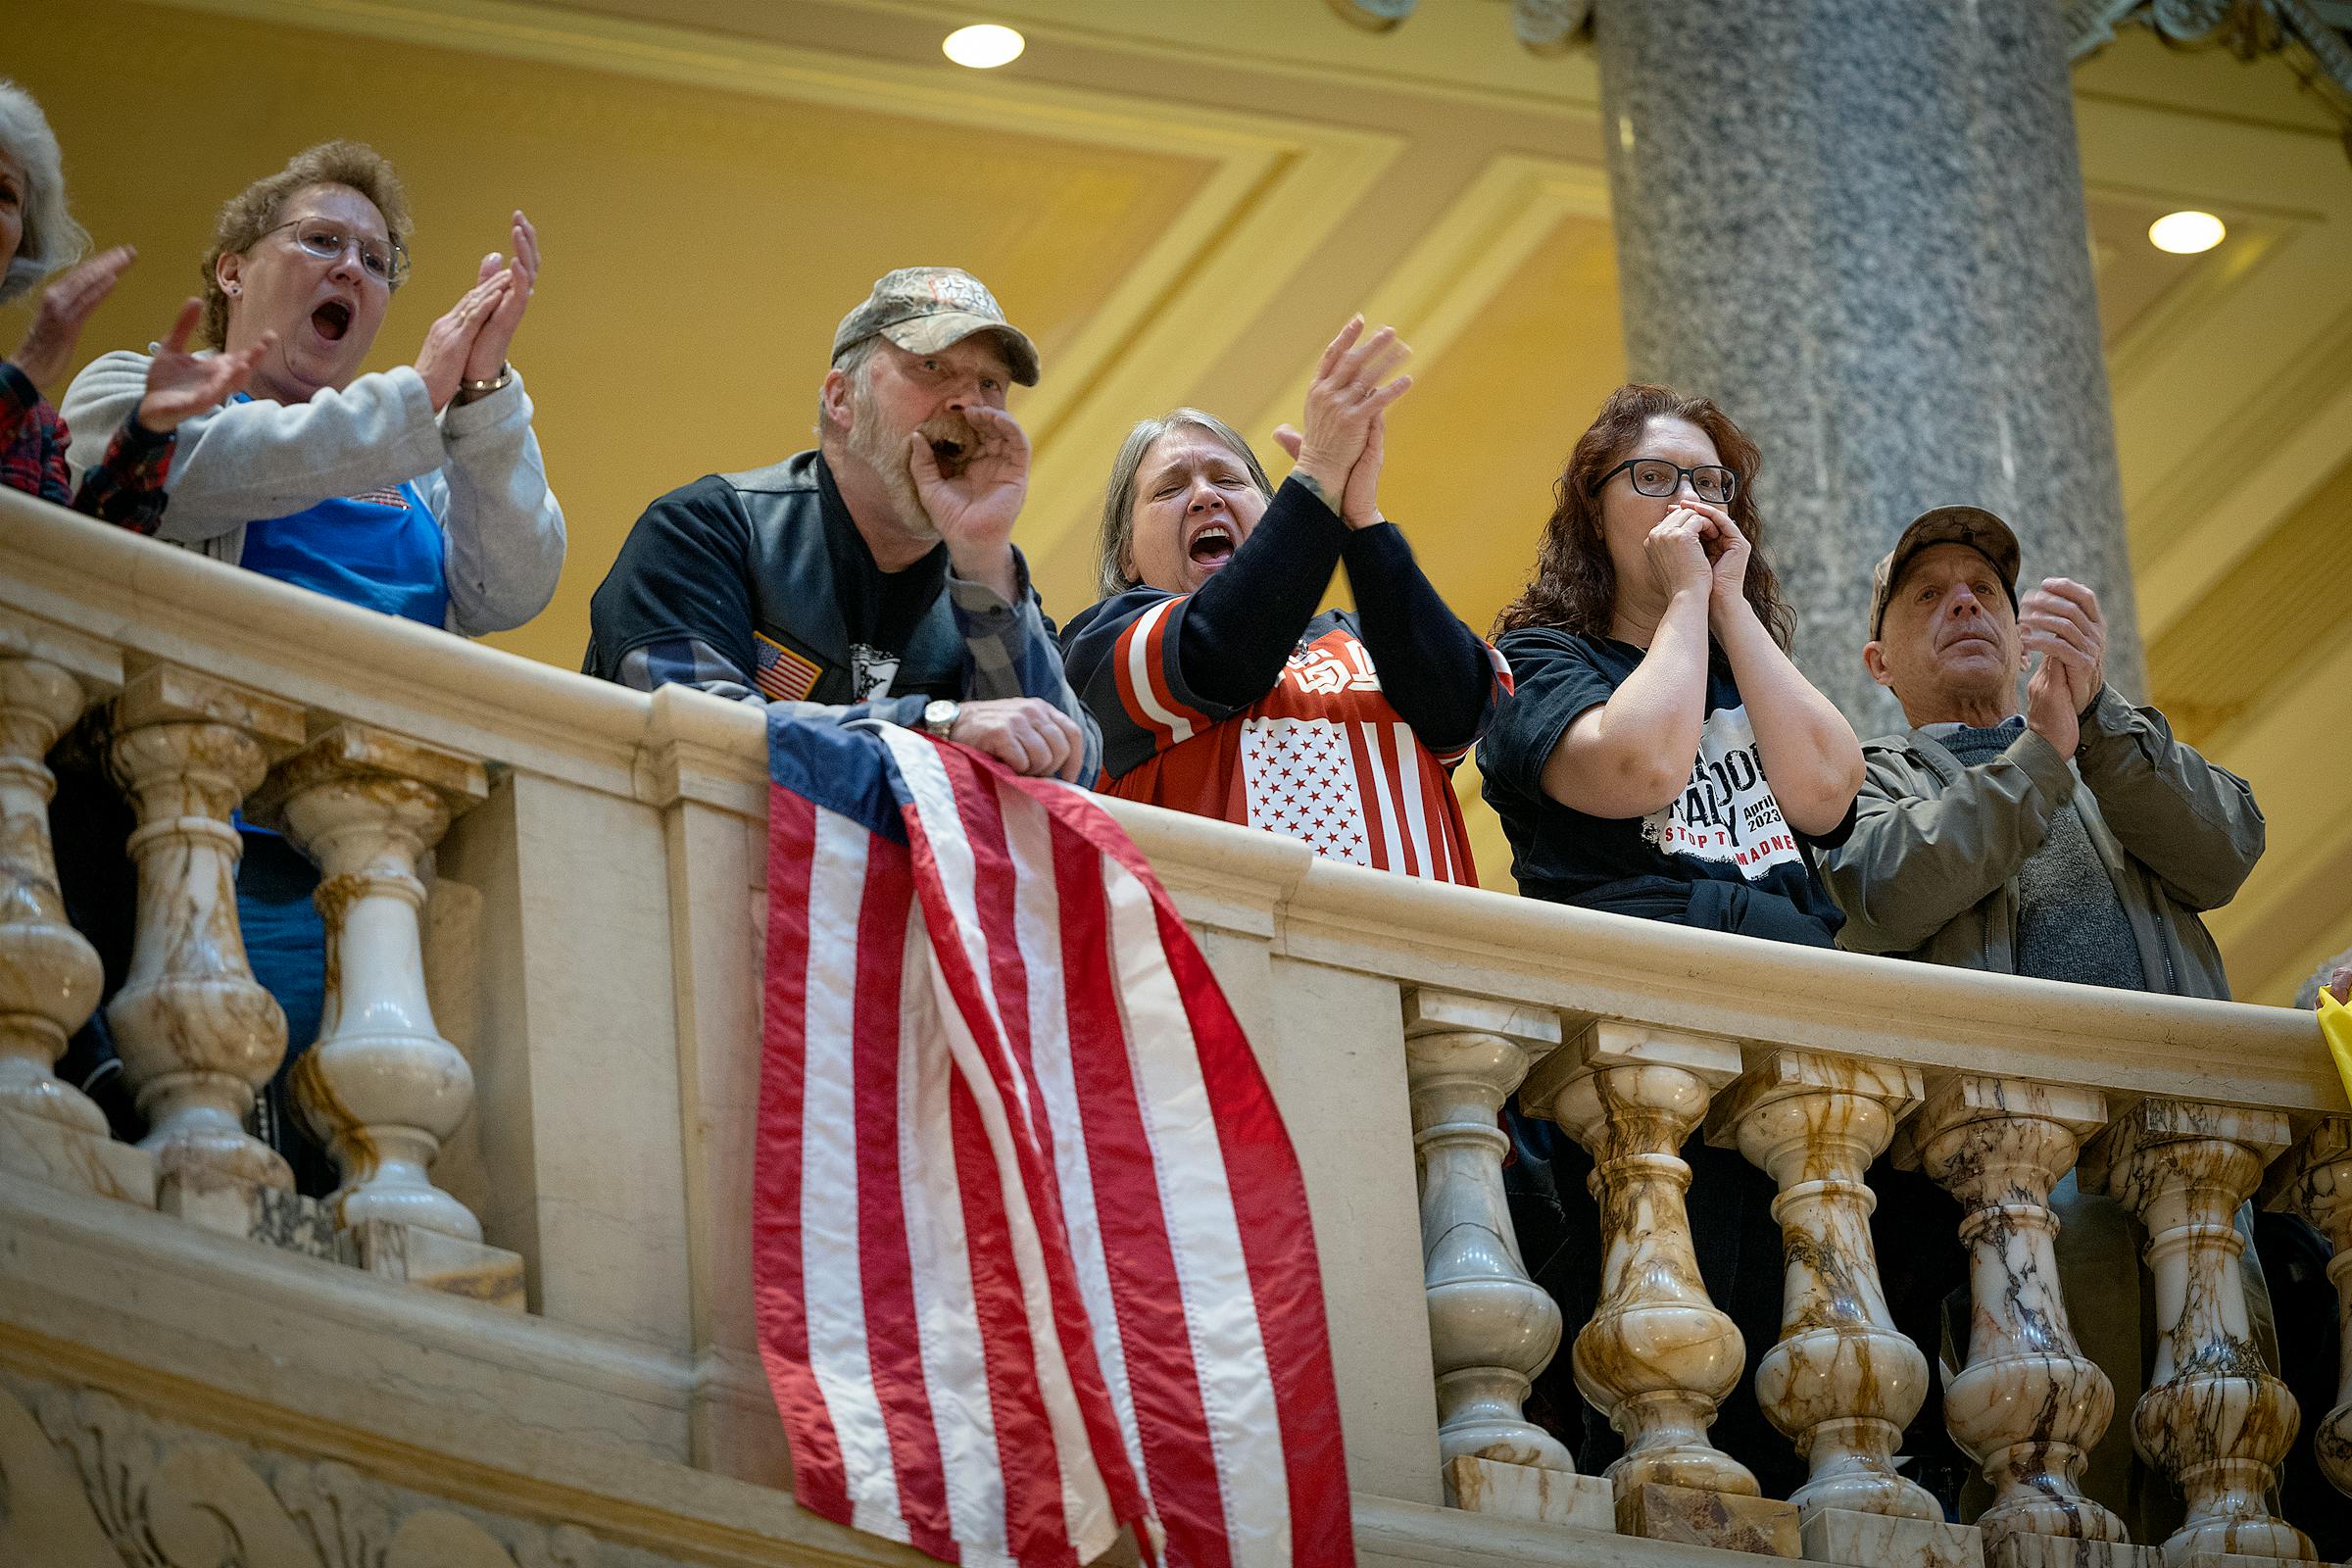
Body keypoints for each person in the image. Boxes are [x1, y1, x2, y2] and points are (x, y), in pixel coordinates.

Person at [57, 140, 562, 1197]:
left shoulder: (415, 472)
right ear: (233, 266)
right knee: (205, 1148)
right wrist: (412, 402)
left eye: (375, 261)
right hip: (206, 837)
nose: (351, 270)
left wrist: (482, 398)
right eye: (320, 240)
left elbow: (515, 583)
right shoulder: (147, 387)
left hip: (375, 858)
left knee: (347, 1166)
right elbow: (181, 481)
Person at [1817, 506, 2289, 1544]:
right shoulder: (1866, 780)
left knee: (2223, 1484)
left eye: (1986, 590)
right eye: (1928, 594)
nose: (1964, 603)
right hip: (2019, 1178)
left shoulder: (2111, 758)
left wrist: (2098, 715)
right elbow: (1888, 889)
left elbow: (2227, 847)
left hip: (2191, 1164)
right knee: (2056, 1486)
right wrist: (2040, 754)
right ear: (1877, 659)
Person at [1475, 383, 1872, 1499]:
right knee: (1668, 1386)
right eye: (1653, 478)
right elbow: (1637, 768)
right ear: (1590, 510)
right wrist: (1686, 598)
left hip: (1792, 1058)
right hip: (1641, 1071)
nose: (1687, 501)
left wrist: (1729, 600)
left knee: (1806, 1399)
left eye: (1710, 483)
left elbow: (1830, 791)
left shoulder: (1751, 667)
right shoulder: (1540, 660)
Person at [584, 266, 1096, 784]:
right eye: (932, 366)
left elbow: (1071, 771)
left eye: (990, 383)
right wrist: (936, 728)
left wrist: (984, 556)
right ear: (840, 398)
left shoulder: (996, 589)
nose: (969, 403)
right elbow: (699, 733)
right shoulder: (705, 529)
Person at [1059, 316, 1509, 880]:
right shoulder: (1098, 644)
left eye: (1229, 480)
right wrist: (1318, 473)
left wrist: (1361, 521)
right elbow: (1222, 652)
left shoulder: (1364, 637)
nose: (1204, 498)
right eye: (1170, 489)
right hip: (1221, 960)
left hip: (1419, 962)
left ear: (1274, 519)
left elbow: (1462, 707)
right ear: (1126, 554)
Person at [1, 80, 263, 529]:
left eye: (4, 196)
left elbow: (73, 572)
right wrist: (20, 379)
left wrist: (148, 434)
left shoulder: (38, 423)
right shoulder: (22, 394)